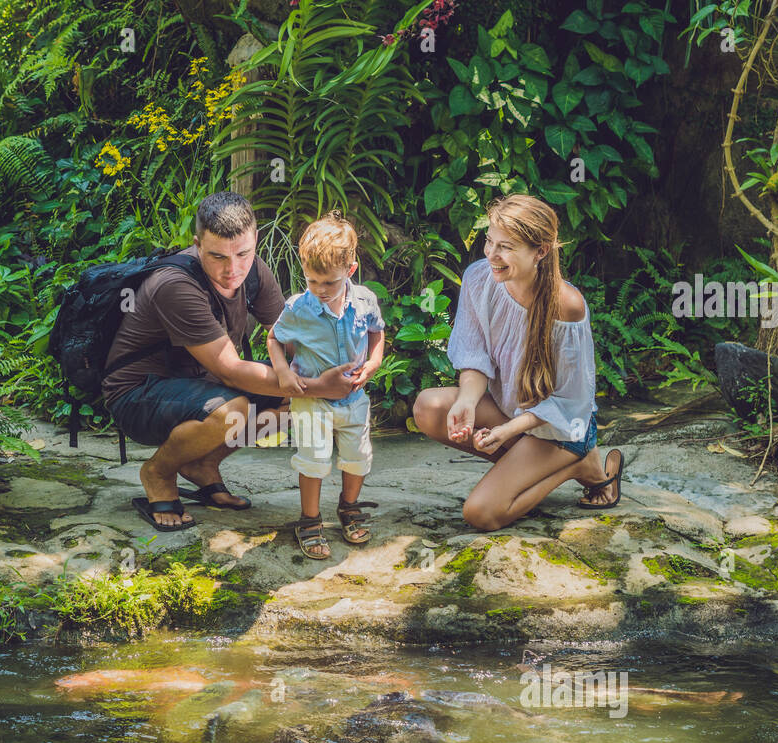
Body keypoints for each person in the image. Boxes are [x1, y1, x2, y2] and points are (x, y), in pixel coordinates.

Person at [102, 191, 357, 531]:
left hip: (200, 386)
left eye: (242, 253)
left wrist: (337, 371)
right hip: (137, 394)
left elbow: (291, 338)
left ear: (256, 240)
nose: (232, 269)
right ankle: (158, 473)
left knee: (294, 402)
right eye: (217, 257)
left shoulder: (254, 272)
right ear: (197, 244)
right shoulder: (175, 285)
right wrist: (318, 386)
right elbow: (230, 370)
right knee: (236, 409)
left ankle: (203, 465)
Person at [412, 194, 624, 531]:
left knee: (480, 513)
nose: (491, 255)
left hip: (559, 431)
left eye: (506, 247)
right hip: (509, 414)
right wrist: (467, 400)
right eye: (489, 242)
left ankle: (576, 464)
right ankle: (543, 467)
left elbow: (573, 403)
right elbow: (474, 354)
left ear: (540, 251)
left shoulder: (566, 305)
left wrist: (506, 431)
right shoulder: (479, 279)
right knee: (429, 407)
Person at [267, 211, 385, 559]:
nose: (319, 290)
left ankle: (349, 507)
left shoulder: (364, 301)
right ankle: (310, 519)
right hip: (311, 400)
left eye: (328, 283)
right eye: (312, 280)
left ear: (350, 270)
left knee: (358, 456)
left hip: (354, 397)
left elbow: (377, 334)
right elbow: (274, 337)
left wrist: (374, 363)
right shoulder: (298, 308)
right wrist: (283, 371)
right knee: (313, 459)